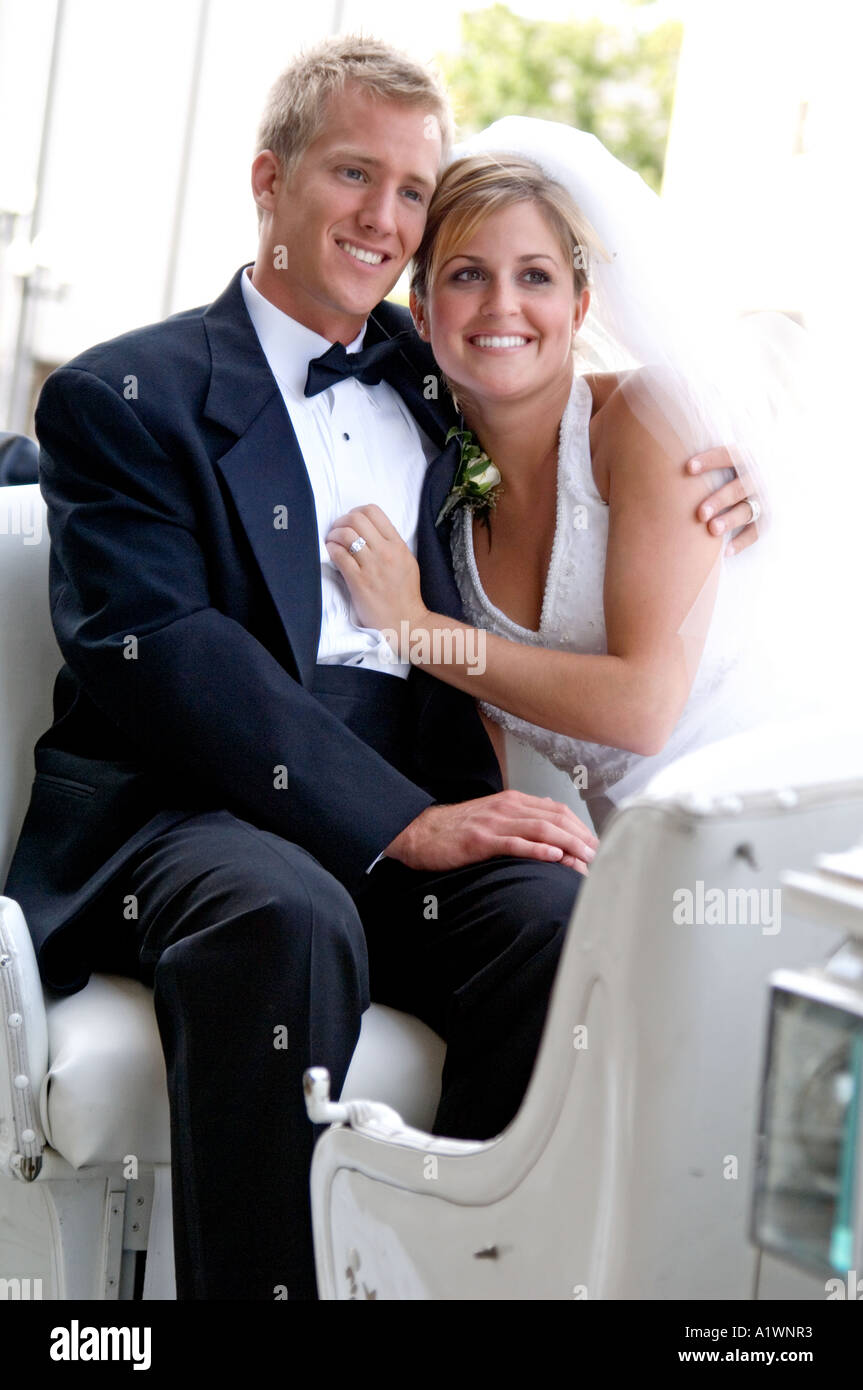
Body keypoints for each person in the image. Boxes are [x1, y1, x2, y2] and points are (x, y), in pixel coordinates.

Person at [3, 44, 750, 1301]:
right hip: (199, 803)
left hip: (423, 785)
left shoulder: (432, 364)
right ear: (268, 179)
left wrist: (717, 474)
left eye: (411, 191)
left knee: (552, 921)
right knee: (280, 917)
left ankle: (458, 1280)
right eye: (353, 173)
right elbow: (173, 662)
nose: (384, 217)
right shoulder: (129, 394)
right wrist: (401, 821)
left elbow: (561, 395)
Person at [327, 119, 791, 833]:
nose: (501, 305)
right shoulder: (442, 501)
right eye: (467, 274)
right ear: (419, 311)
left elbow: (641, 709)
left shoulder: (644, 422)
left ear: (577, 308)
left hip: (776, 817)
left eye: (534, 276)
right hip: (628, 859)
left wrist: (418, 630)